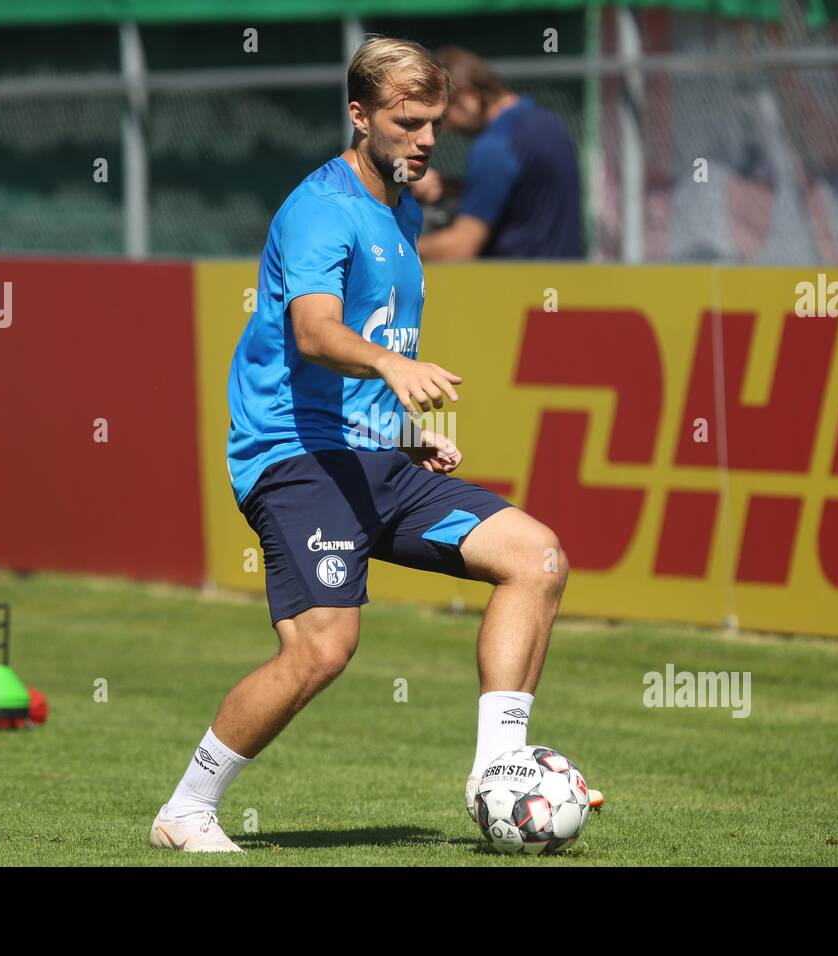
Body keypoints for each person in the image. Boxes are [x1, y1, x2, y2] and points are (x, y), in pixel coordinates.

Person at [149, 36, 599, 853]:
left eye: (434, 122)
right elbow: (316, 332)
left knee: (536, 558)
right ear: (360, 117)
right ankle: (185, 809)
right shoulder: (320, 208)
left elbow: (355, 348)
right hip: (292, 455)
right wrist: (394, 366)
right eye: (407, 121)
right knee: (325, 645)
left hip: (371, 452)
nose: (427, 139)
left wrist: (399, 429)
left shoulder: (405, 204)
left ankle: (496, 770)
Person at [412, 47, 583, 260]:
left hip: (517, 287)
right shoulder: (548, 123)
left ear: (468, 96)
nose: (445, 128)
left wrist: (392, 243)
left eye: (444, 115)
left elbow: (460, 248)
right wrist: (452, 188)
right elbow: (526, 200)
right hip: (566, 282)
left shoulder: (494, 147)